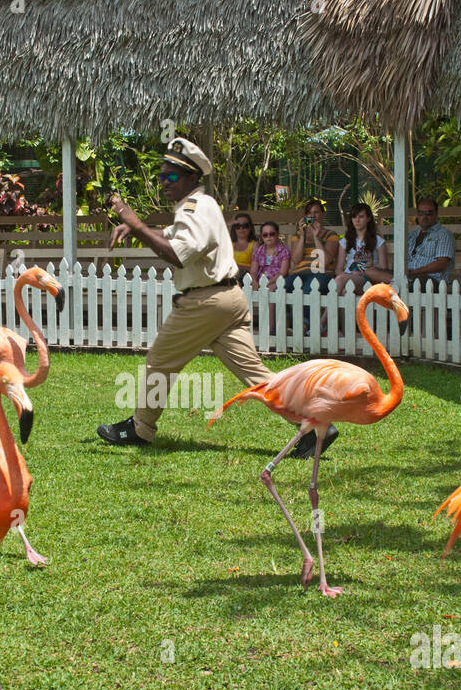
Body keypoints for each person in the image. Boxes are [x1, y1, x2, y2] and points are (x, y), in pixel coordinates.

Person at [97, 136, 335, 456]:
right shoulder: (195, 208)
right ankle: (315, 423)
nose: (164, 183)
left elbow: (177, 254)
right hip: (228, 299)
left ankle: (141, 428)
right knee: (257, 376)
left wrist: (135, 222)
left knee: (160, 360)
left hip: (205, 302)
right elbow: (170, 238)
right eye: (162, 176)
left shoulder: (196, 207)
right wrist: (137, 228)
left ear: (193, 178)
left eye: (172, 176)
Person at [323, 202, 390, 334]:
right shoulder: (345, 241)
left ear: (369, 218)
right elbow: (338, 268)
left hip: (368, 279)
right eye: (354, 217)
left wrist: (370, 267)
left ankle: (323, 321)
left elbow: (384, 268)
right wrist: (348, 276)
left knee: (341, 280)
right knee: (343, 292)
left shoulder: (378, 241)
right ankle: (348, 333)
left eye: (361, 216)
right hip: (349, 279)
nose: (357, 220)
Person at [286, 198, 338, 296]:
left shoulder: (331, 235)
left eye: (316, 212)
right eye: (309, 213)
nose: (312, 216)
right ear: (306, 216)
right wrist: (302, 236)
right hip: (299, 274)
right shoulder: (297, 235)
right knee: (283, 287)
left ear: (323, 214)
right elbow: (296, 260)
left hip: (322, 273)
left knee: (307, 290)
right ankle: (288, 312)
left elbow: (325, 260)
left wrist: (316, 237)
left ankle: (304, 312)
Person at [401, 197, 454, 286]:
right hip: (409, 276)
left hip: (431, 280)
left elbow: (442, 264)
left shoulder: (443, 234)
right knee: (381, 276)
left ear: (436, 214)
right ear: (417, 214)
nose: (424, 217)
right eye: (421, 213)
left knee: (405, 284)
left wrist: (415, 272)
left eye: (429, 213)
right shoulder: (413, 235)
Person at [250, 221, 290, 335]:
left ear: (277, 234)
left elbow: (283, 272)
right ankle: (248, 327)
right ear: (262, 236)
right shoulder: (258, 251)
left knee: (271, 291)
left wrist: (267, 283)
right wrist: (254, 281)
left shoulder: (283, 251)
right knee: (247, 291)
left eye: (271, 234)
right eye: (265, 235)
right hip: (259, 281)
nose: (268, 237)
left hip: (276, 281)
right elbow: (253, 271)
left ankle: (271, 328)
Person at [230, 213, 258, 284]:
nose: (241, 229)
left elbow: (256, 268)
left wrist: (237, 266)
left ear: (250, 227)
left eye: (245, 226)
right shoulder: (230, 244)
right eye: (237, 226)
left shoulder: (254, 245)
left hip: (247, 276)